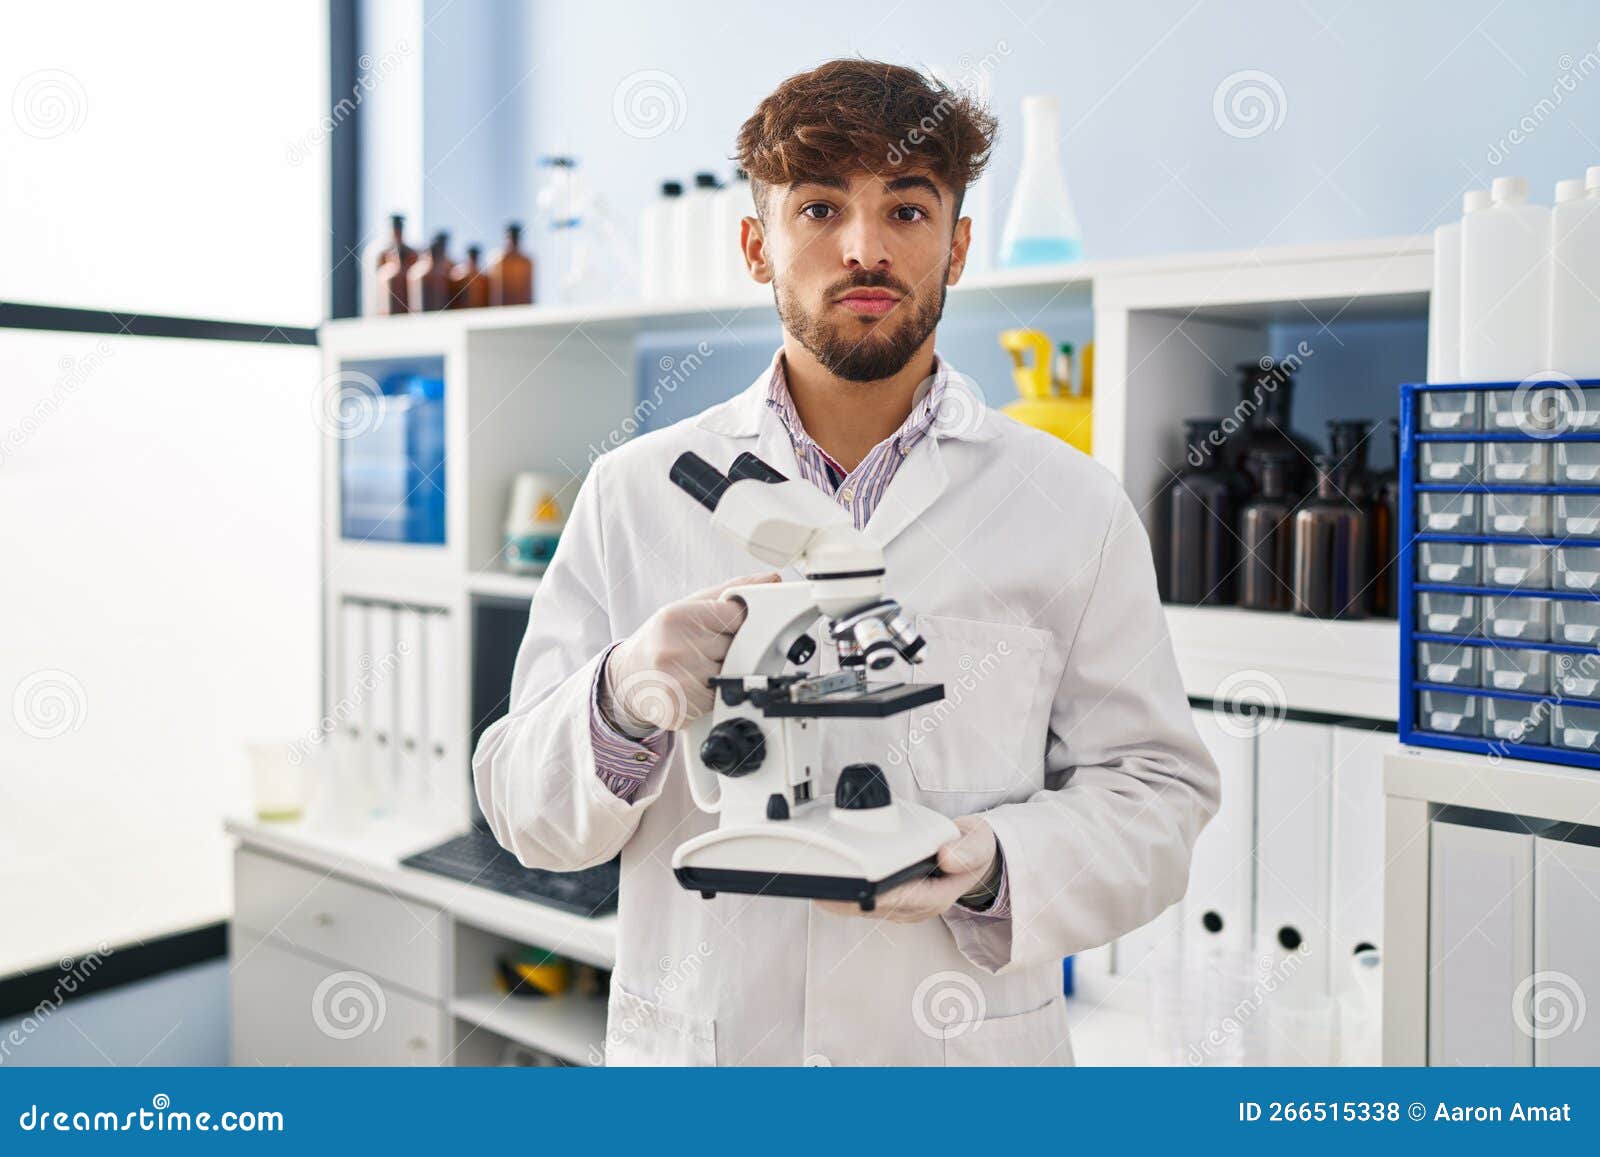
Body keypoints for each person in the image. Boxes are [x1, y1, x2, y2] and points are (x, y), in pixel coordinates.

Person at [474, 58, 1220, 1066]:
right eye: (819, 207)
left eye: (906, 210)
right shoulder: (635, 489)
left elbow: (1155, 793)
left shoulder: (1070, 504)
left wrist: (992, 864)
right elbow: (527, 813)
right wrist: (617, 697)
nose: (864, 248)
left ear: (957, 246)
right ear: (755, 244)